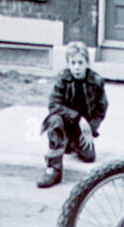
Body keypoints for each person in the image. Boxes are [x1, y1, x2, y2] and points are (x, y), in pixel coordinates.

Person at [37, 40, 108, 189]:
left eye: (80, 63)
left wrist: (91, 129)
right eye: (73, 63)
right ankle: (53, 169)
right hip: (64, 122)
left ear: (87, 63)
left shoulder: (96, 81)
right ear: (68, 64)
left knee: (89, 157)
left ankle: (72, 143)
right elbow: (53, 105)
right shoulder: (62, 79)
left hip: (82, 127)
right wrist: (78, 117)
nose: (77, 67)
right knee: (54, 120)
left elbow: (101, 109)